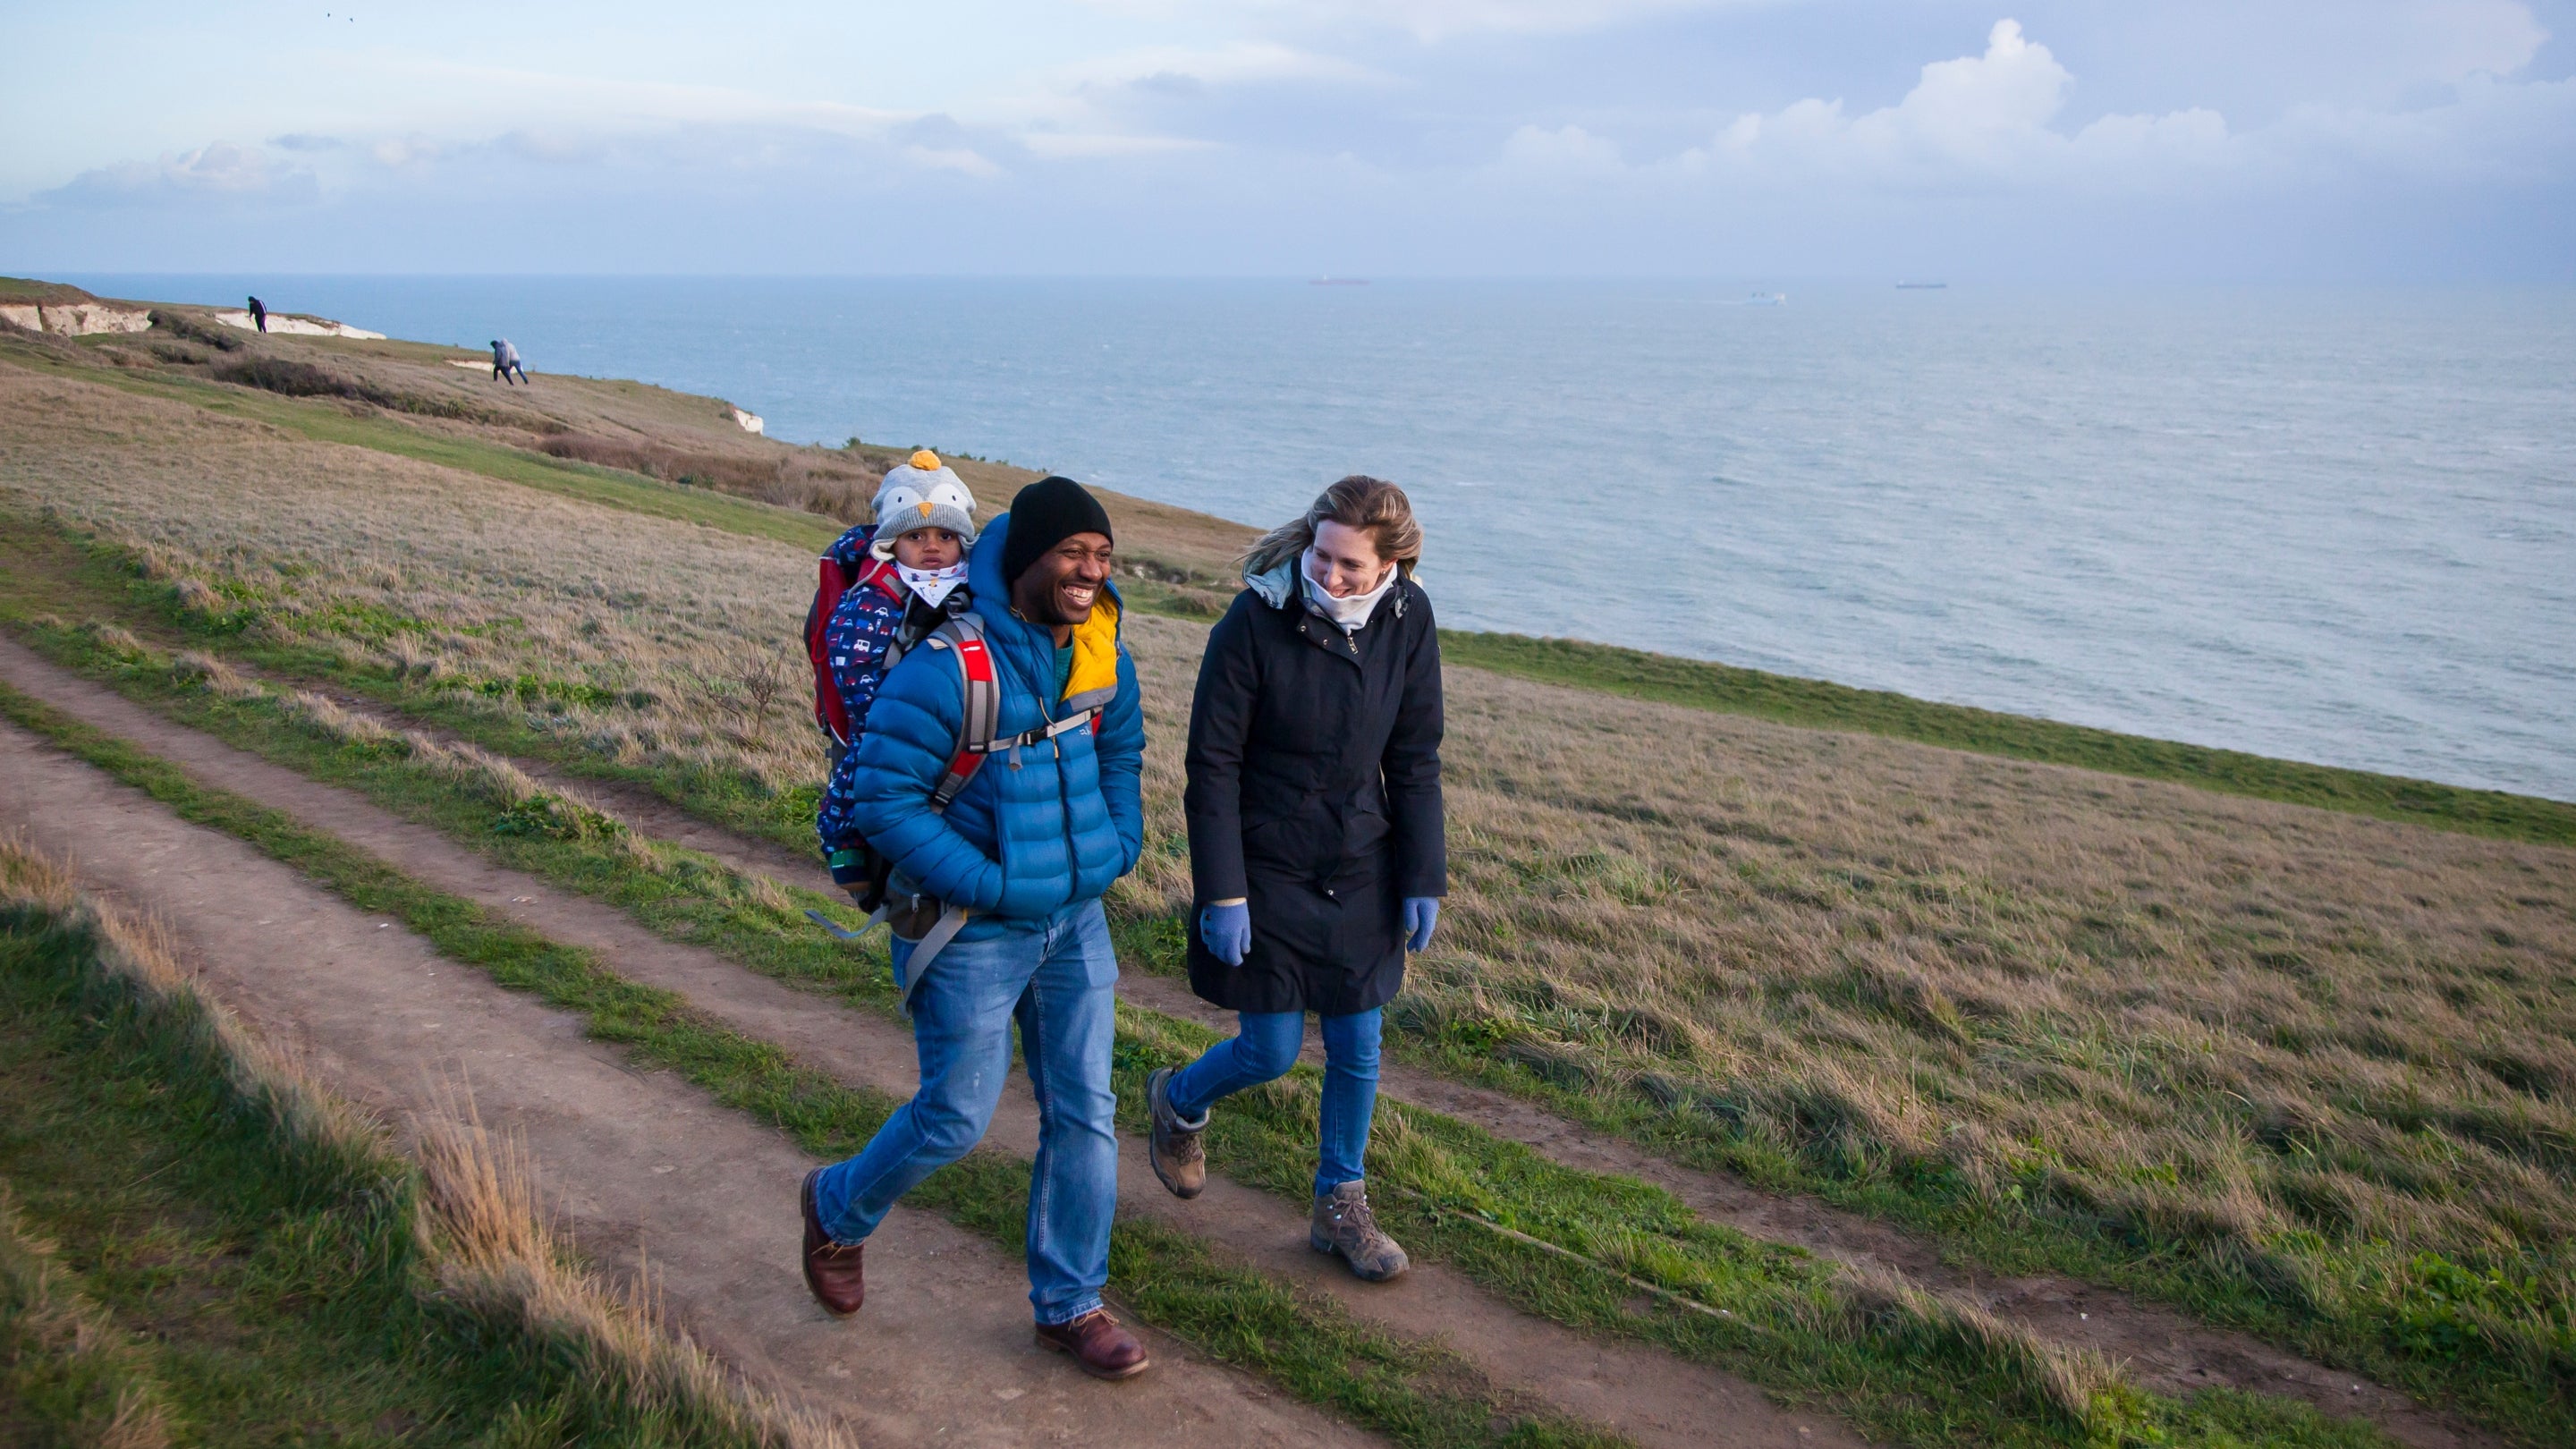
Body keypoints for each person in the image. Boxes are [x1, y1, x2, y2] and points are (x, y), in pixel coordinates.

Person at [799, 476, 1152, 1380]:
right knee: (956, 1115)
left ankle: (1070, 1305)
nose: (1089, 572)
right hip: (972, 929)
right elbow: (883, 797)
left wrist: (1118, 848)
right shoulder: (949, 664)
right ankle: (836, 1211)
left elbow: (1121, 747)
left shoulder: (1101, 646)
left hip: (1076, 922)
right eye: (1073, 553)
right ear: (1026, 557)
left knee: (1087, 1112)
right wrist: (989, 883)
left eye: (1102, 556)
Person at [1144, 476, 1445, 1283]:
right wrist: (1224, 892)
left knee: (1358, 1042)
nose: (1329, 575)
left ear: (1391, 565)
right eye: (1321, 554)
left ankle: (1339, 1204)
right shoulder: (1253, 622)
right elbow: (1212, 765)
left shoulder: (1411, 624)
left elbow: (1414, 760)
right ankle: (1177, 1101)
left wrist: (1423, 875)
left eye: (1350, 564)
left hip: (1361, 862)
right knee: (1271, 1050)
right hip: (1266, 861)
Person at [814, 453, 977, 893]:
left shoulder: (976, 584)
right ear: (891, 542)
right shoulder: (873, 595)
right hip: (888, 711)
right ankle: (843, 840)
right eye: (915, 535)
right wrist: (889, 717)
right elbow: (852, 660)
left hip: (962, 719)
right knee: (865, 765)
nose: (932, 547)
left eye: (946, 535)